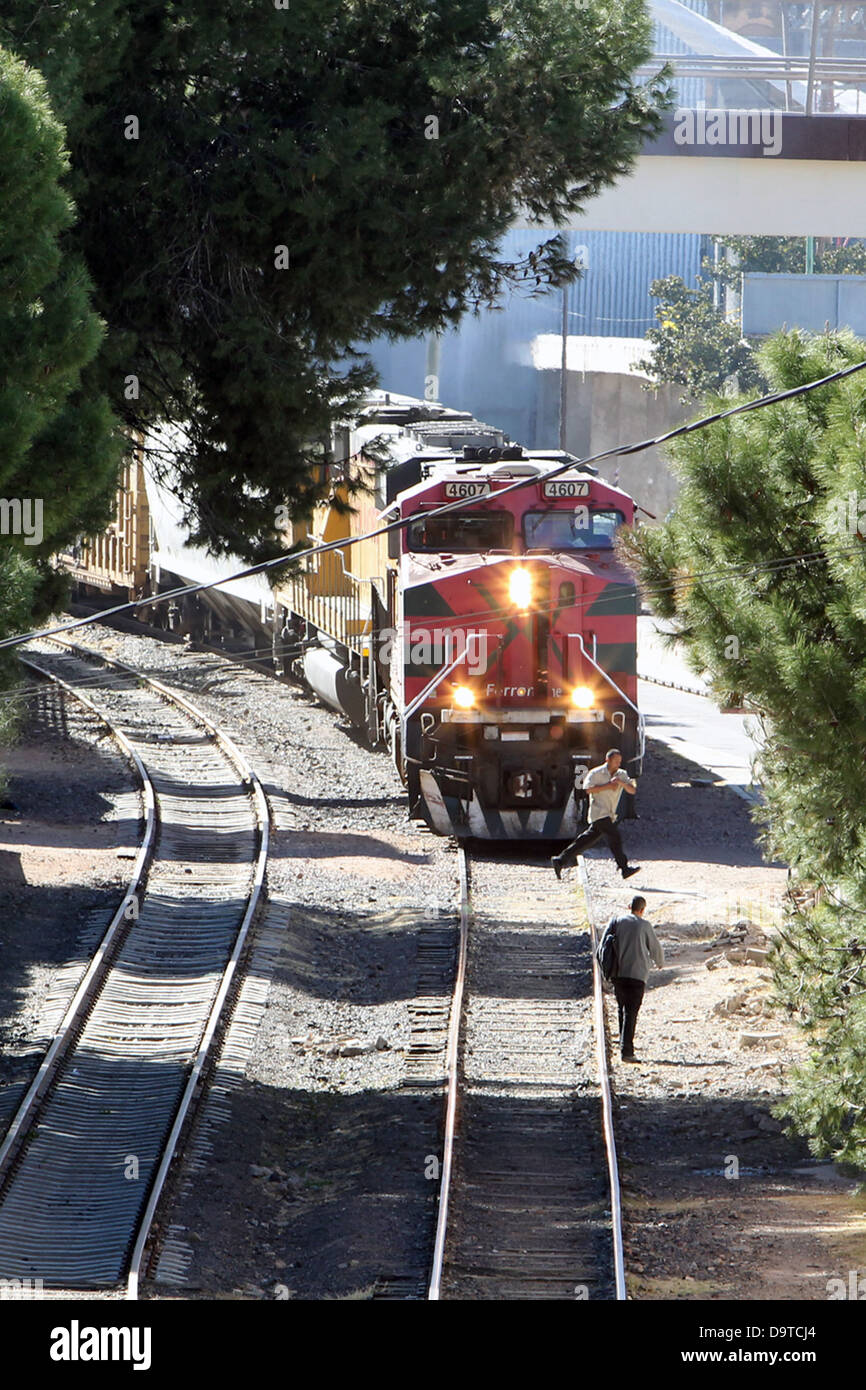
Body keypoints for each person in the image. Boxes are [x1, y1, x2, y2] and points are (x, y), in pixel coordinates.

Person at [551, 749, 640, 880]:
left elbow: (632, 790)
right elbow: (588, 789)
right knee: (614, 836)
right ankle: (624, 868)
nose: (617, 764)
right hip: (598, 812)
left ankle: (560, 860)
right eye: (615, 761)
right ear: (607, 760)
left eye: (619, 762)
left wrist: (621, 783)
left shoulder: (622, 774)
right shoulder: (595, 773)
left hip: (609, 814)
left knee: (585, 841)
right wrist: (608, 786)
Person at [608, 895, 664, 1062]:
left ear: (629, 907)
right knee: (631, 1012)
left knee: (622, 1008)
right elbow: (655, 948)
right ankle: (627, 1052)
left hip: (618, 973)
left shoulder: (617, 921)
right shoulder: (645, 925)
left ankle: (623, 1046)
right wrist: (660, 963)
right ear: (642, 910)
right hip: (637, 975)